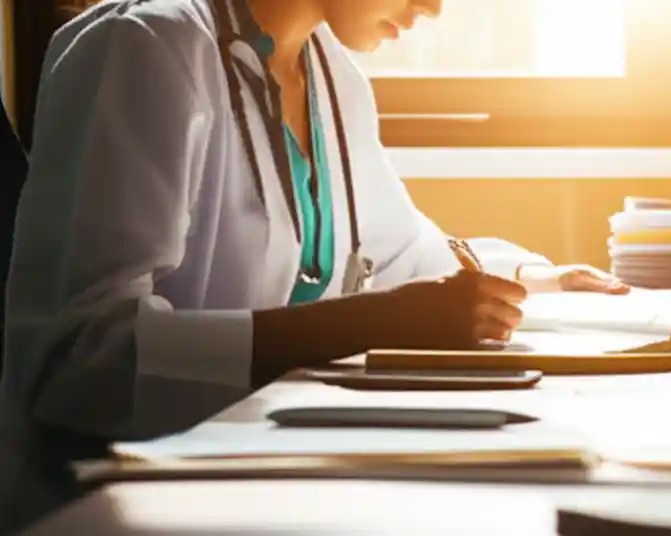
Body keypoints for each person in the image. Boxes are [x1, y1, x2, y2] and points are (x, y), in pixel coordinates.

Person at [2, 0, 629, 440]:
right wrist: (359, 325)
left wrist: (535, 279)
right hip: (98, 520)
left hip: (251, 478)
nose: (435, 8)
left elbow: (398, 254)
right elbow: (75, 364)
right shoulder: (144, 50)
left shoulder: (333, 76)